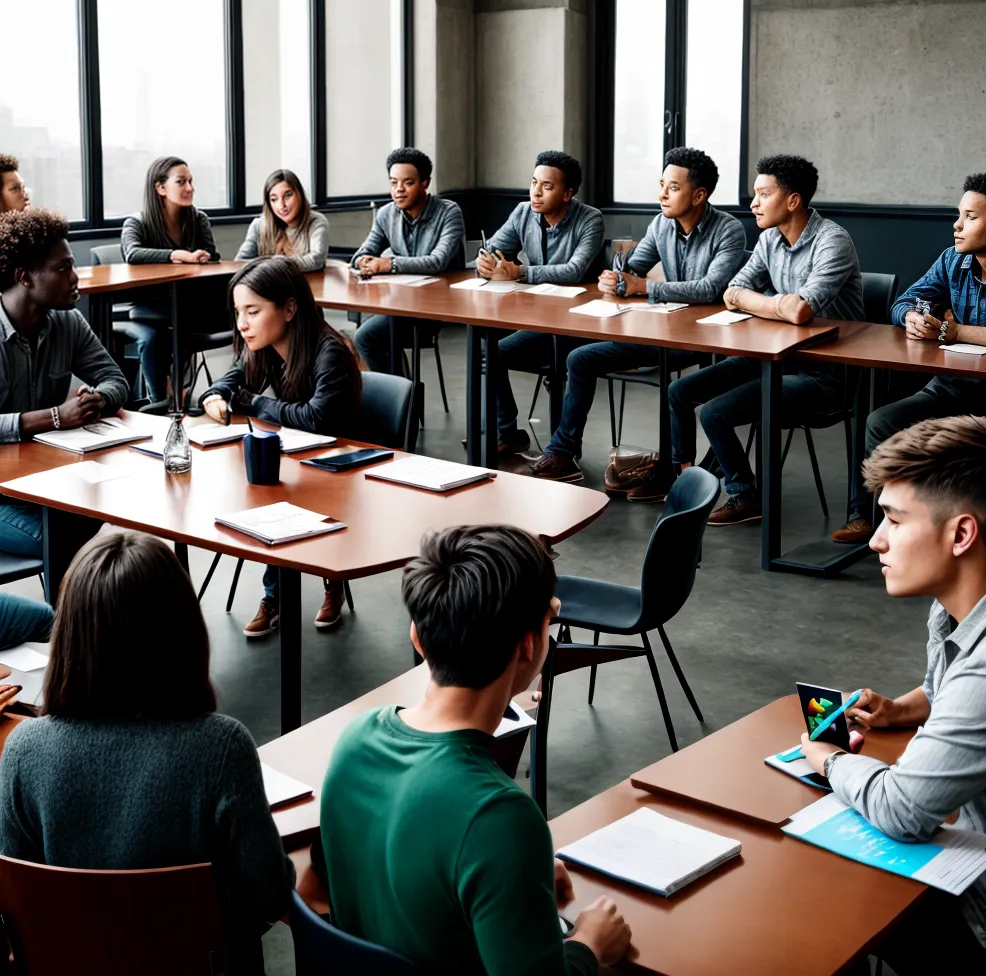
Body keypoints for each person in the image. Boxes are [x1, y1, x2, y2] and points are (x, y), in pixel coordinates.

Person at [320, 524, 631, 975]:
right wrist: (589, 943)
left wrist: (512, 879)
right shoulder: (499, 817)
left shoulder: (355, 741)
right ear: (529, 645)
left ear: (417, 638)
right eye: (551, 617)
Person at [0, 530, 294, 975]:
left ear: (69, 636)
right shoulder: (220, 748)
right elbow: (270, 895)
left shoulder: (25, 751)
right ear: (183, 632)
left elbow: (16, 904)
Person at [799, 417, 986, 971]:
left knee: (823, 903)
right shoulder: (967, 605)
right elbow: (950, 689)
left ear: (961, 534)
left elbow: (903, 811)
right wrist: (904, 708)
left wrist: (829, 761)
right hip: (976, 858)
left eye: (895, 520)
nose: (875, 538)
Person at [517, 147, 747, 495]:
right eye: (661, 185)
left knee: (678, 390)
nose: (661, 195)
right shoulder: (661, 224)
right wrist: (617, 278)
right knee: (580, 358)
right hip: (663, 332)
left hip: (703, 341)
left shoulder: (729, 230)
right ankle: (563, 452)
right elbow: (634, 268)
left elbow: (711, 288)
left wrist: (646, 287)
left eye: (672, 188)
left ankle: (675, 469)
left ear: (699, 195)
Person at [668, 154, 864, 525]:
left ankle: (744, 494)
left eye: (763, 194)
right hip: (774, 358)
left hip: (825, 372)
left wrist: (757, 302)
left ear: (793, 200)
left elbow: (802, 310)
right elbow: (731, 292)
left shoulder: (832, 241)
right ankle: (684, 477)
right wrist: (776, 303)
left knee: (714, 411)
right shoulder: (769, 239)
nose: (753, 203)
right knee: (680, 392)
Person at [833, 173, 986, 544]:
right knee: (880, 421)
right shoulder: (952, 260)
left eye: (970, 217)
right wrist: (913, 318)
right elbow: (904, 300)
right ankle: (874, 518)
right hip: (951, 386)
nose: (956, 225)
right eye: (959, 214)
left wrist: (957, 331)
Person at [200, 257, 363, 636]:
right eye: (239, 312)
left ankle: (318, 582)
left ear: (289, 308)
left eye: (253, 311)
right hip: (299, 463)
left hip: (341, 471)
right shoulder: (263, 348)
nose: (242, 324)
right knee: (260, 494)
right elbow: (227, 381)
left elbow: (317, 419)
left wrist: (253, 403)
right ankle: (276, 596)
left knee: (277, 501)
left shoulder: (330, 352)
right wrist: (214, 395)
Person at [0, 208, 129, 561]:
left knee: (108, 506)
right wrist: (55, 416)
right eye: (63, 269)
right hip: (6, 491)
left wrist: (97, 400)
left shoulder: (67, 321)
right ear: (24, 277)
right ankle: (69, 618)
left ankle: (73, 616)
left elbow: (115, 379)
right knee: (68, 534)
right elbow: (55, 417)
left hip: (42, 480)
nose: (76, 277)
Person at [482, 151, 605, 456]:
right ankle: (507, 432)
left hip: (578, 322)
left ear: (568, 194)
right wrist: (485, 264)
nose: (535, 192)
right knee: (487, 348)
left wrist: (520, 271)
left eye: (546, 187)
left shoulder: (590, 218)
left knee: (512, 354)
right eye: (534, 182)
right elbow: (493, 250)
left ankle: (561, 449)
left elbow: (574, 270)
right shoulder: (523, 212)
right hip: (536, 317)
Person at [351, 147, 465, 373]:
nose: (398, 190)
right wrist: (363, 261)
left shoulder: (449, 212)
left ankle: (399, 397)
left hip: (433, 311)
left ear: (425, 182)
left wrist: (388, 263)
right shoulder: (386, 214)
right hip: (397, 304)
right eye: (393, 183)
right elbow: (360, 254)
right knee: (374, 335)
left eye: (408, 183)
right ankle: (402, 396)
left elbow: (437, 262)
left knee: (366, 336)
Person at [120, 156, 221, 401]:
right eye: (181, 182)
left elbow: (214, 255)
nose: (189, 188)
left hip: (187, 306)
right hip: (149, 307)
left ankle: (178, 394)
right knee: (156, 338)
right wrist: (176, 255)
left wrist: (203, 257)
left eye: (190, 181)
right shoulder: (137, 223)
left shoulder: (198, 220)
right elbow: (132, 253)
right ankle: (161, 400)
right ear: (160, 187)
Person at [236, 168, 329, 272]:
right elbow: (240, 263)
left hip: (307, 286)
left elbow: (316, 260)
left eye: (288, 195)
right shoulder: (258, 226)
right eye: (274, 199)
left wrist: (273, 265)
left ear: (300, 195)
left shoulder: (316, 222)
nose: (281, 205)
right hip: (267, 286)